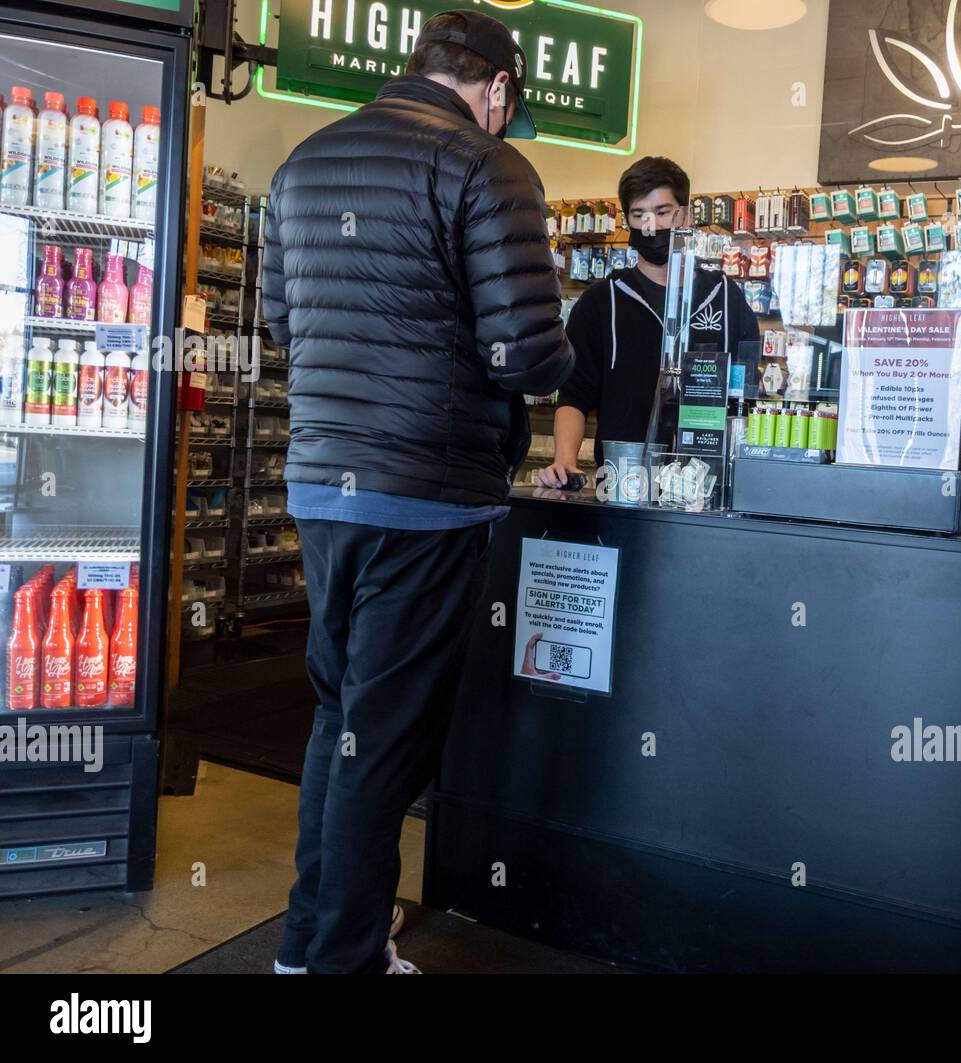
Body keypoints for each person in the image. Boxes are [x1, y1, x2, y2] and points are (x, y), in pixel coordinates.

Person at [261, 9, 573, 974]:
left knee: (340, 717)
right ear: (498, 89)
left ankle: (312, 940)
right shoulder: (485, 164)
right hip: (425, 492)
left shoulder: (302, 161)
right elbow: (524, 354)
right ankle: (345, 956)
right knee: (385, 740)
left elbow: (279, 327)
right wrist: (566, 350)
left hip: (322, 485)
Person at [538, 157, 760, 487]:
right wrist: (565, 462)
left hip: (710, 484)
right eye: (639, 214)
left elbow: (747, 395)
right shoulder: (602, 301)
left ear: (685, 214)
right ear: (627, 220)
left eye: (662, 211)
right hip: (623, 482)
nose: (651, 225)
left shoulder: (726, 298)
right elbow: (574, 395)